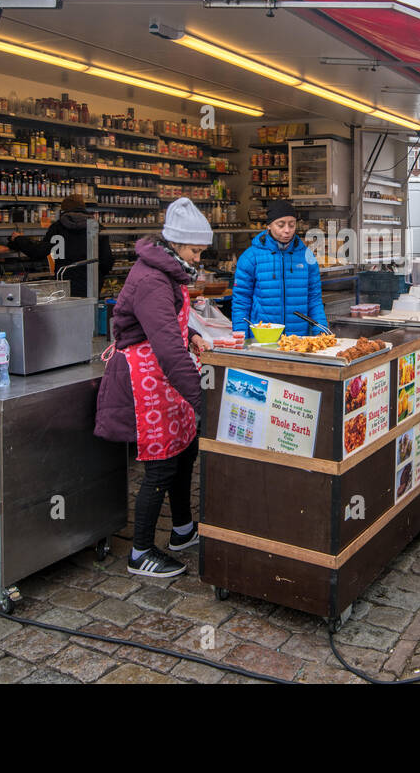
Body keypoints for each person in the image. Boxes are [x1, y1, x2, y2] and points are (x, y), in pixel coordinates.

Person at [94, 198, 212, 578]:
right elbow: (164, 345)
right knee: (161, 467)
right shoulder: (152, 280)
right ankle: (140, 551)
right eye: (195, 250)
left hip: (165, 377)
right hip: (147, 377)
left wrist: (192, 334)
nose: (198, 257)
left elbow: (164, 326)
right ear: (176, 245)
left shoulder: (168, 273)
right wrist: (203, 402)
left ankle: (182, 530)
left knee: (184, 453)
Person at [232, 200, 326, 337]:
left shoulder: (307, 257)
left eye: (292, 224)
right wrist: (241, 337)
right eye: (280, 225)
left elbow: (315, 299)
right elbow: (241, 302)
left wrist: (321, 332)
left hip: (298, 339)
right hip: (263, 339)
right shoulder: (251, 257)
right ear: (269, 225)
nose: (287, 230)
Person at [9, 195, 114, 297]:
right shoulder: (98, 228)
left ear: (64, 210)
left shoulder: (58, 227)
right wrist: (97, 275)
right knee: (90, 312)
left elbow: (38, 251)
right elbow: (107, 262)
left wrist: (19, 239)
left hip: (65, 282)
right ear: (83, 208)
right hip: (92, 284)